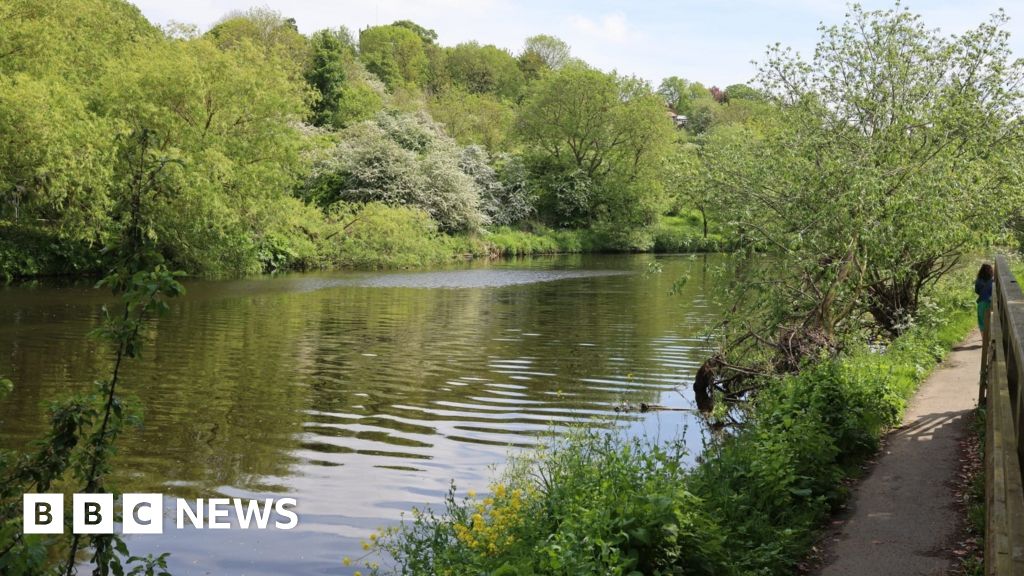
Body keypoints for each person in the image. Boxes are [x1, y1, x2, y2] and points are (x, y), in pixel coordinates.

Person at [975, 263, 994, 332]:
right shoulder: (993, 281)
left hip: (982, 302)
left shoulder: (978, 280)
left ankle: (984, 339)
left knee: (982, 321)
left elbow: (977, 291)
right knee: (992, 321)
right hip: (991, 302)